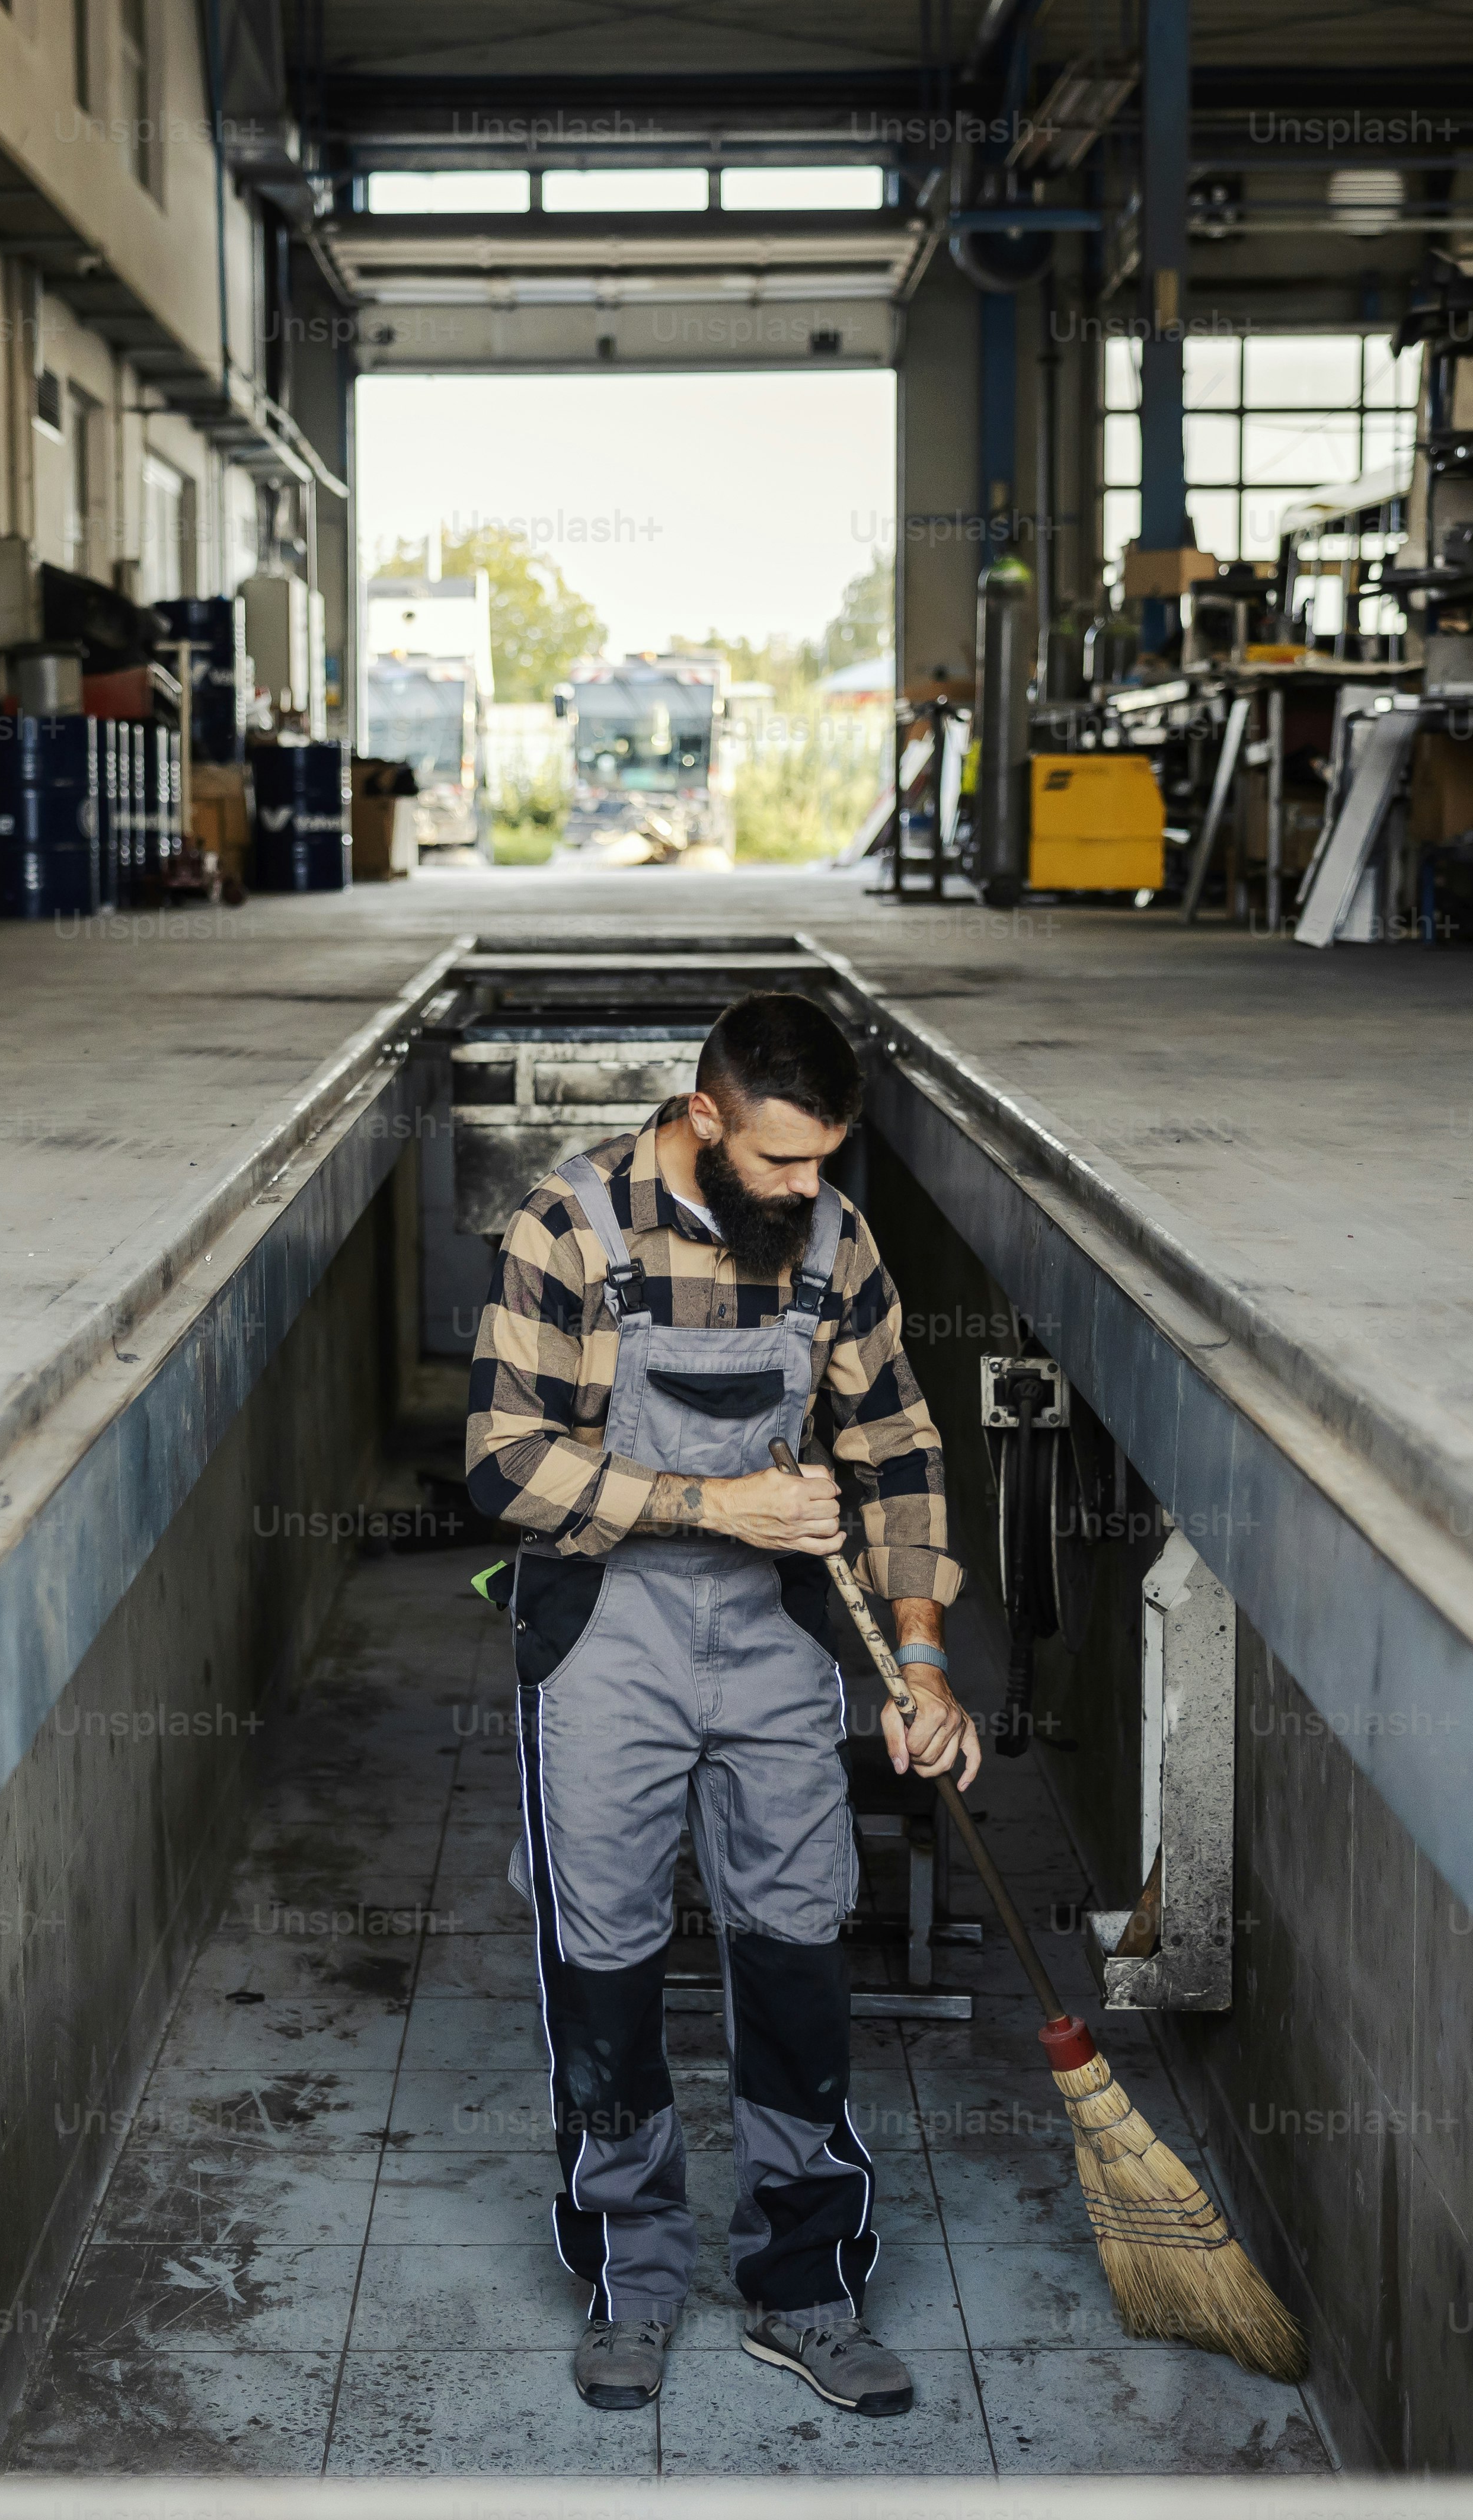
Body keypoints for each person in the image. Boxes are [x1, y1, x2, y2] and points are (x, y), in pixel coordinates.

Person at [466, 988, 979, 2418]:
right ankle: (634, 2271)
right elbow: (505, 1465)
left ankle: (803, 2284)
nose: (809, 1192)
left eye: (827, 1162)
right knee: (608, 1957)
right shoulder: (566, 1227)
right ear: (703, 1116)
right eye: (780, 1163)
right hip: (603, 1637)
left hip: (771, 1645)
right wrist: (721, 1501)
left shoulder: (836, 1239)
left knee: (799, 1939)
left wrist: (924, 1655)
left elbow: (895, 1443)